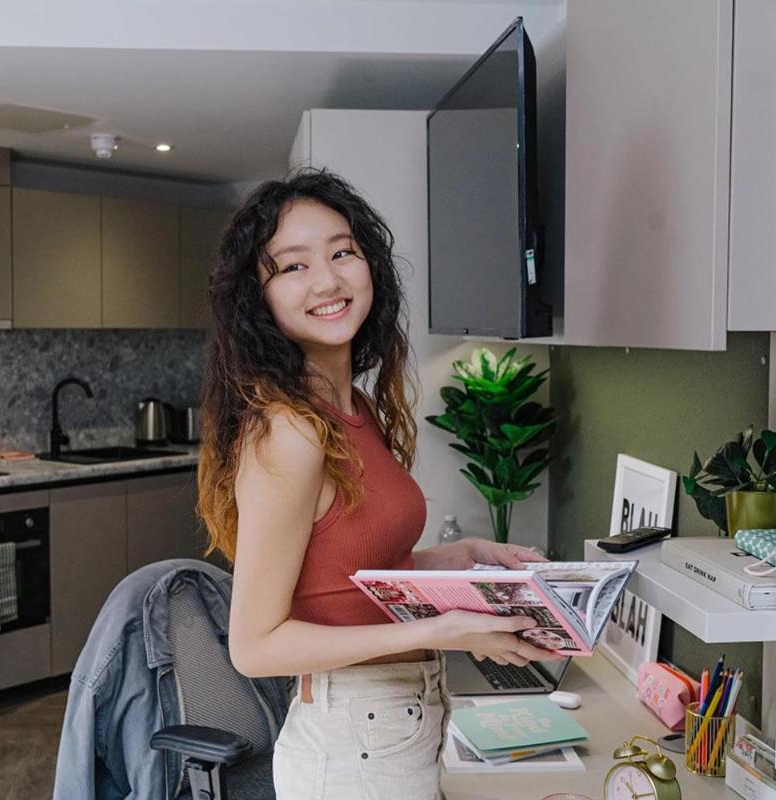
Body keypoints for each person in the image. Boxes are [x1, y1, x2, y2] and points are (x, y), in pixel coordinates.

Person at [197, 169, 562, 800]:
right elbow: (255, 647)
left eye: (343, 253)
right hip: (352, 742)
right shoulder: (291, 431)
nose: (329, 281)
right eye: (292, 267)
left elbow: (343, 575)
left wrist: (458, 561)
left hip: (393, 725)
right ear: (258, 299)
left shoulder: (353, 411)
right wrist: (441, 629)